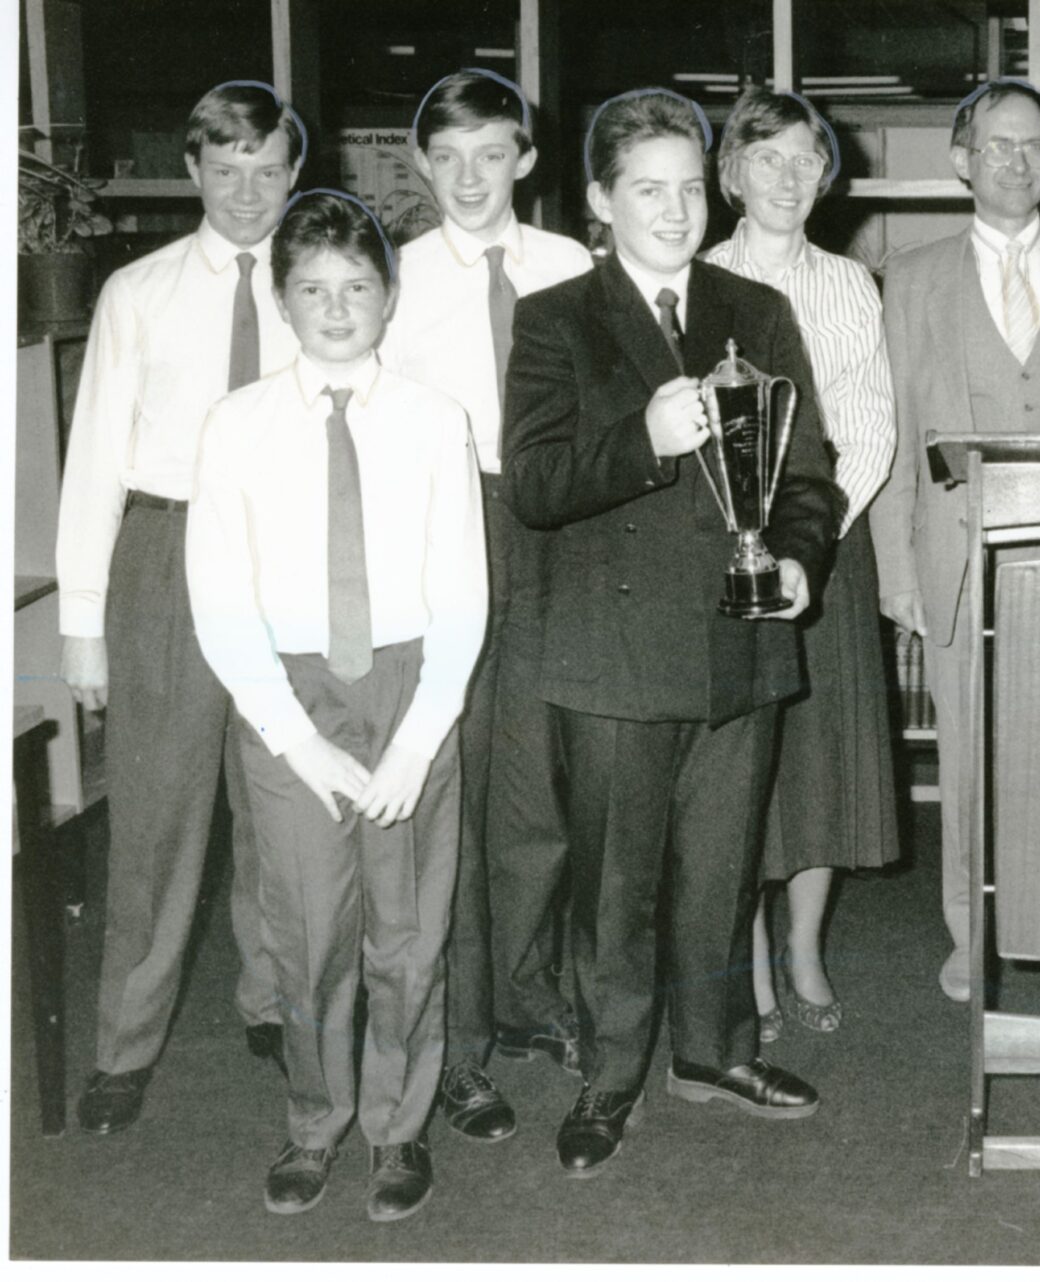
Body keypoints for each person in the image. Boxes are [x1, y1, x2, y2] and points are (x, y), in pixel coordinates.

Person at [500, 88, 838, 1177]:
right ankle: (610, 1071)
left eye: (691, 187)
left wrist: (798, 557)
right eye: (648, 189)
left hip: (739, 640)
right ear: (600, 200)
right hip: (611, 654)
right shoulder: (554, 317)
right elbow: (539, 486)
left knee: (721, 870)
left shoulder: (758, 307)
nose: (676, 209)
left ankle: (713, 1052)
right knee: (615, 887)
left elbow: (808, 475)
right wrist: (643, 438)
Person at [185, 190, 486, 1220]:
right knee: (305, 930)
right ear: (281, 299)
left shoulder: (433, 420)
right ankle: (314, 1117)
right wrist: (295, 739)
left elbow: (462, 591)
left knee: (406, 931)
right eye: (312, 288)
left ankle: (397, 1129)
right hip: (289, 689)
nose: (336, 306)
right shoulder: (235, 425)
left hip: (407, 681)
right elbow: (219, 599)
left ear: (389, 294)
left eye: (357, 285)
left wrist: (419, 736)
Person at [57, 81, 303, 1134]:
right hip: (165, 553)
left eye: (267, 167)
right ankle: (123, 1045)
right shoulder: (138, 293)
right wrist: (82, 622)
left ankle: (277, 998)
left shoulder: (326, 283)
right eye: (225, 165)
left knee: (283, 806)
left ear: (295, 173)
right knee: (156, 816)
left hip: (287, 558)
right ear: (194, 171)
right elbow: (93, 462)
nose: (247, 190)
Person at [868, 78, 1040, 1004]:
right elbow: (895, 427)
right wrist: (896, 569)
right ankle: (971, 935)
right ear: (961, 161)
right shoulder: (909, 273)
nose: (1017, 163)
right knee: (972, 757)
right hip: (955, 546)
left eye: (1034, 147)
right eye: (997, 146)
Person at [380, 67, 594, 1143]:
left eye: (491, 153)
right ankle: (456, 1043)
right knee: (451, 784)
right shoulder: (394, 277)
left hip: (554, 524)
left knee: (538, 780)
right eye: (448, 156)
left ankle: (529, 996)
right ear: (422, 164)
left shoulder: (570, 265)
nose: (470, 177)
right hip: (442, 528)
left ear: (526, 158)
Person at [703, 88, 900, 1042]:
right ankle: (749, 968)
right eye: (765, 158)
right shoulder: (694, 280)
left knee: (823, 766)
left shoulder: (850, 285)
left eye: (804, 159)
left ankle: (806, 948)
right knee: (737, 769)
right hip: (717, 551)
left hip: (826, 549)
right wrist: (742, 532)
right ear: (730, 173)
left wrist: (803, 544)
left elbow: (869, 430)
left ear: (827, 174)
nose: (787, 177)